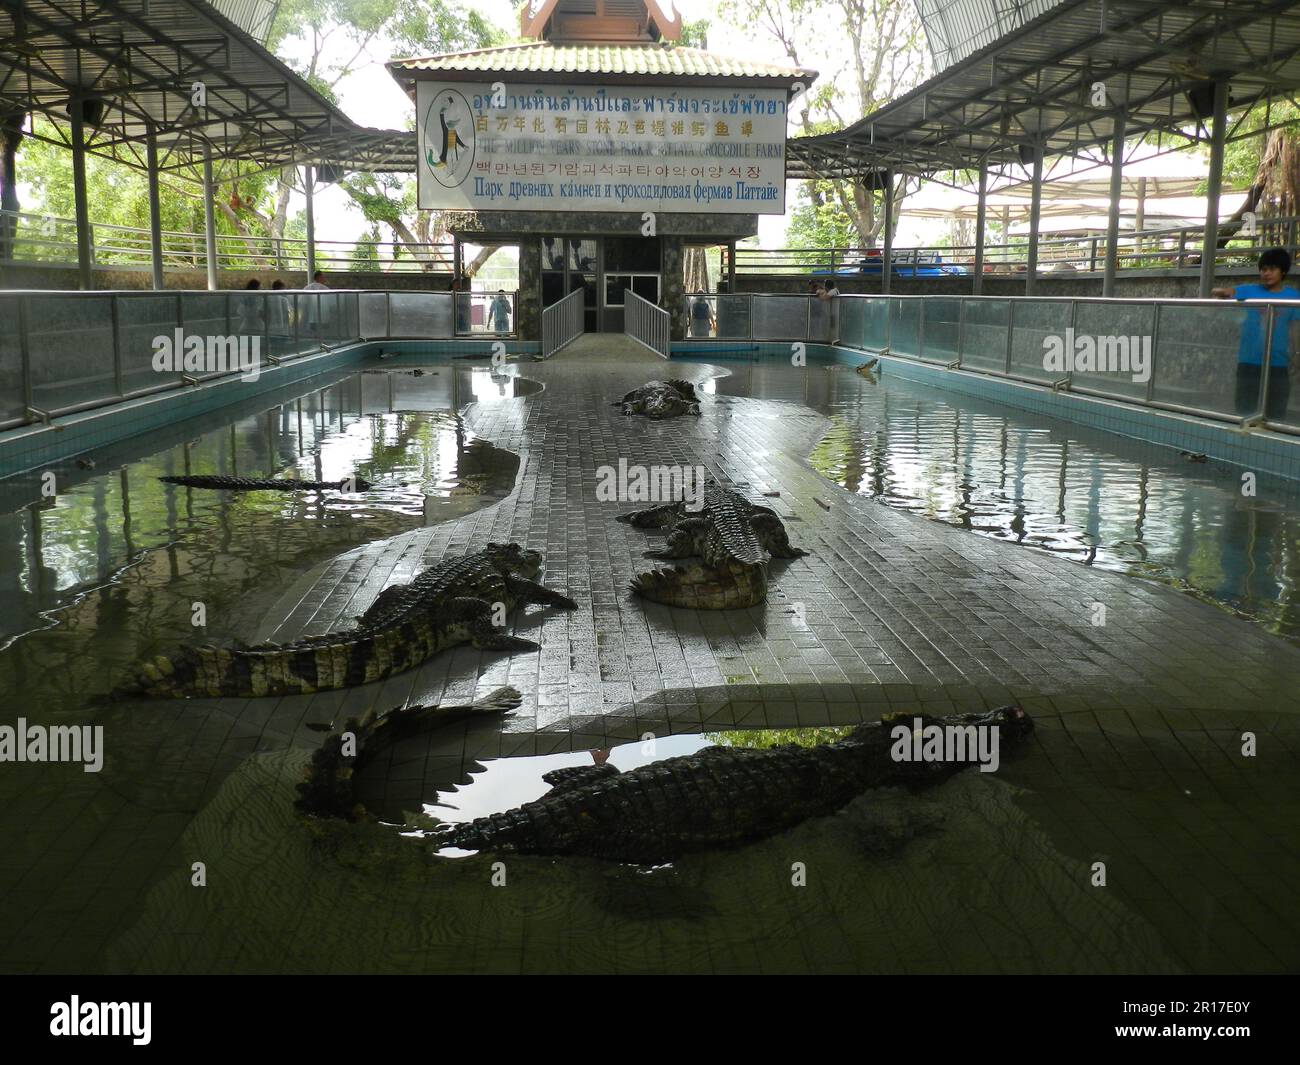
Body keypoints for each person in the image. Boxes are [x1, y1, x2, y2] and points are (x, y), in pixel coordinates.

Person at [1212, 247, 1300, 420]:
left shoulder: (1293, 296)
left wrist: (1297, 354)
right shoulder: (1249, 291)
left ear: (1282, 271)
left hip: (1278, 362)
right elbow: (1217, 291)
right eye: (1263, 269)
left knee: (1275, 413)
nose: (1267, 273)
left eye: (1272, 269)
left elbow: (1296, 328)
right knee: (1245, 410)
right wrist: (1225, 293)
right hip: (1249, 361)